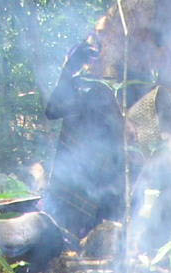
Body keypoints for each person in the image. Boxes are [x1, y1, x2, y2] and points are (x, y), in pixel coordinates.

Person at [43, 17, 130, 241]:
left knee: (101, 233)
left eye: (97, 51)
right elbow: (52, 110)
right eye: (89, 53)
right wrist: (68, 72)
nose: (93, 59)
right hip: (77, 173)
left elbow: (122, 133)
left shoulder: (116, 85)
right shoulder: (80, 84)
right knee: (69, 233)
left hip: (104, 175)